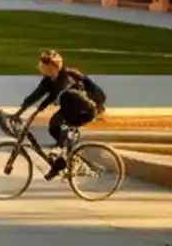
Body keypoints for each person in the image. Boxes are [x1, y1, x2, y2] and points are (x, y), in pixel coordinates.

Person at [14, 49, 104, 180]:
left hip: (85, 110)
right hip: (70, 109)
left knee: (64, 123)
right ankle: (62, 163)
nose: (41, 67)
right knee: (53, 126)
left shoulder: (71, 75)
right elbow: (36, 95)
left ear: (52, 66)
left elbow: (96, 91)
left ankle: (60, 151)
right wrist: (18, 113)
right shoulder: (49, 80)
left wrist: (98, 104)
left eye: (43, 65)